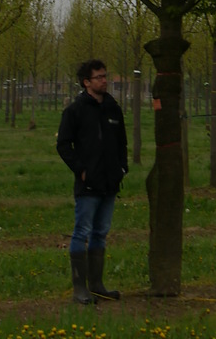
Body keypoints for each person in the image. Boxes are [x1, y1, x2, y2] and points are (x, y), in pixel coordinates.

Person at [56, 58, 128, 304]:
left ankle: (97, 285)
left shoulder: (113, 108)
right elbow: (63, 144)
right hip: (88, 185)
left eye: (106, 76)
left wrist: (122, 168)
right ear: (87, 82)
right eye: (99, 77)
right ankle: (80, 289)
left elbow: (122, 142)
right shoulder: (75, 110)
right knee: (82, 232)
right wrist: (80, 170)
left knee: (101, 233)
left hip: (110, 183)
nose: (105, 80)